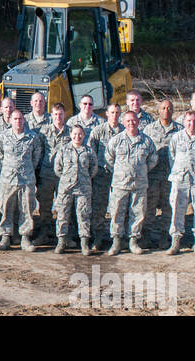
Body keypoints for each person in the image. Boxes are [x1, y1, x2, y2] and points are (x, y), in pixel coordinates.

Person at [105, 111, 159, 255]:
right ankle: (116, 242)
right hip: (120, 184)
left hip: (139, 184)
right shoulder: (116, 141)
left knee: (138, 213)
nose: (131, 123)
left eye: (134, 121)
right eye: (128, 121)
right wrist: (120, 172)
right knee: (116, 212)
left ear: (138, 122)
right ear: (124, 123)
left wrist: (141, 171)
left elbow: (153, 159)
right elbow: (109, 159)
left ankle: (133, 241)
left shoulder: (146, 141)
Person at [0, 110, 43, 251]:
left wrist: (26, 169)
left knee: (26, 208)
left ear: (24, 120)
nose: (18, 121)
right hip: (8, 179)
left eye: (20, 118)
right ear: (10, 120)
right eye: (15, 119)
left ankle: (25, 238)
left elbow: (36, 157)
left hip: (26, 179)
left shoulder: (32, 137)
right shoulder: (3, 136)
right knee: (5, 208)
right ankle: (5, 237)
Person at [166, 111, 195, 256]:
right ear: (184, 122)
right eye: (189, 121)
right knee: (177, 210)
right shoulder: (176, 137)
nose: (191, 124)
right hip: (180, 179)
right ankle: (175, 242)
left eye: (194, 121)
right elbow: (172, 157)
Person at [52, 125, 99, 255]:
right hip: (66, 188)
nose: (77, 137)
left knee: (83, 214)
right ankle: (61, 241)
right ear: (70, 134)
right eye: (75, 134)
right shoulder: (63, 150)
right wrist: (68, 178)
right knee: (62, 214)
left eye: (80, 134)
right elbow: (58, 168)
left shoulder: (89, 151)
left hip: (83, 188)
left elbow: (93, 168)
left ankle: (84, 243)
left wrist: (84, 178)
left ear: (84, 136)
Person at [143, 99, 182, 248]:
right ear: (158, 111)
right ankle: (146, 235)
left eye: (169, 108)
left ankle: (164, 237)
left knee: (168, 207)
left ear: (173, 110)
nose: (166, 110)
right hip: (152, 175)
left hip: (171, 176)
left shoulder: (180, 130)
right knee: (149, 206)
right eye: (163, 108)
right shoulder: (149, 129)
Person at [34, 103, 69, 245]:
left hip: (64, 176)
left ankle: (63, 236)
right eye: (55, 114)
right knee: (45, 206)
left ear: (64, 114)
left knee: (63, 207)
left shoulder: (70, 132)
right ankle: (44, 233)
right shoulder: (43, 131)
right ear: (51, 115)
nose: (58, 117)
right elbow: (38, 152)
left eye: (60, 114)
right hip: (46, 175)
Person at [89, 103, 123, 244]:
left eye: (117, 112)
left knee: (118, 206)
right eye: (112, 112)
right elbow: (91, 153)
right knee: (99, 206)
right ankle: (97, 236)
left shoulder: (125, 131)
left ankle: (117, 236)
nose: (114, 115)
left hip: (120, 175)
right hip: (102, 173)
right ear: (107, 114)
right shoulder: (98, 131)